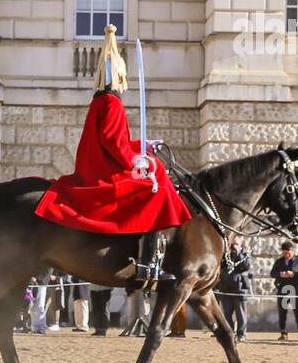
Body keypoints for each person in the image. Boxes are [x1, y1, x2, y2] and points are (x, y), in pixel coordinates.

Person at [34, 25, 191, 285]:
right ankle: (148, 263)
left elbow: (116, 138)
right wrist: (135, 160)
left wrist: (143, 146)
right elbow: (112, 142)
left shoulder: (101, 101)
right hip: (105, 173)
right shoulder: (111, 102)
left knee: (154, 170)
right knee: (156, 185)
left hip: (100, 164)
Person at [271, 241, 298, 341]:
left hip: (294, 290)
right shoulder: (279, 261)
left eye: (289, 253)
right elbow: (272, 273)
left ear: (292, 251)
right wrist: (280, 274)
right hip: (282, 289)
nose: (287, 255)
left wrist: (293, 274)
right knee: (282, 312)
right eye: (285, 253)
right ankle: (283, 333)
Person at [218, 238, 252, 342]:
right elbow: (220, 267)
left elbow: (246, 266)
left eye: (236, 244)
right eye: (232, 244)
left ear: (241, 245)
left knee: (241, 314)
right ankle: (230, 334)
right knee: (227, 314)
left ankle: (241, 335)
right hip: (226, 289)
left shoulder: (245, 255)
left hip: (239, 289)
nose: (233, 246)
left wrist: (238, 254)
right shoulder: (226, 255)